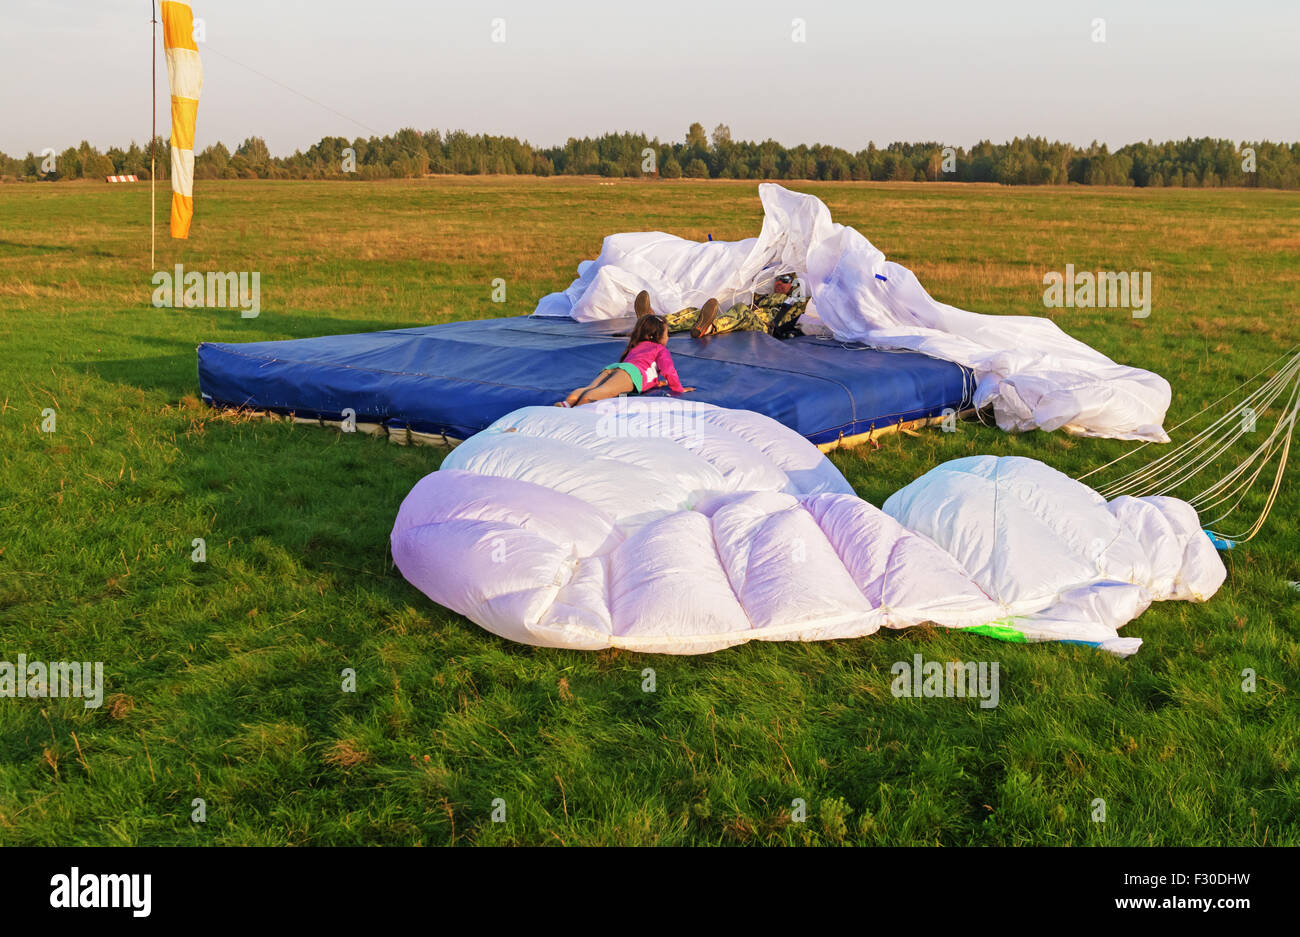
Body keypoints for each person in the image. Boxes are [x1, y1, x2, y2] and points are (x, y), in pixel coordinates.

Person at [556, 313, 695, 407]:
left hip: (615, 368)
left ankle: (567, 403)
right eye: (667, 334)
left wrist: (655, 383)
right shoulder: (660, 349)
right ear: (656, 336)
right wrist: (678, 389)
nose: (668, 337)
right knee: (605, 391)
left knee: (591, 387)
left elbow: (644, 368)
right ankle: (582, 408)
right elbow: (668, 370)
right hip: (631, 373)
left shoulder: (637, 345)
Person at [634, 273, 809, 339]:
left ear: (793, 284)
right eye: (778, 279)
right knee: (695, 312)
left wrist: (797, 288)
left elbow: (809, 300)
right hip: (740, 320)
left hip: (764, 328)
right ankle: (653, 323)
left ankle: (708, 328)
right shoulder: (762, 296)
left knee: (742, 310)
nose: (779, 282)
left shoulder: (793, 303)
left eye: (785, 280)